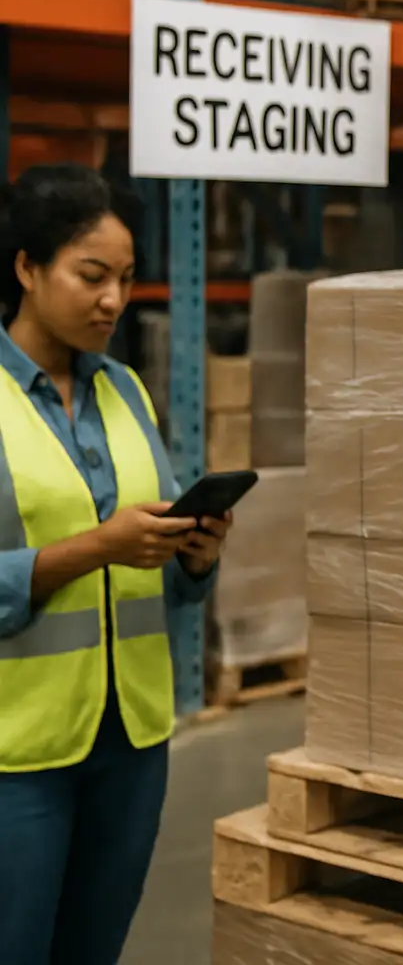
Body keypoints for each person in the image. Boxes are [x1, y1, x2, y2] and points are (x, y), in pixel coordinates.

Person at [0, 163, 232, 964]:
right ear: (27, 269)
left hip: (129, 741)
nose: (113, 301)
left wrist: (193, 557)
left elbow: (162, 576)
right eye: (91, 276)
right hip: (17, 753)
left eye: (127, 280)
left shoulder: (126, 391)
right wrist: (90, 549)